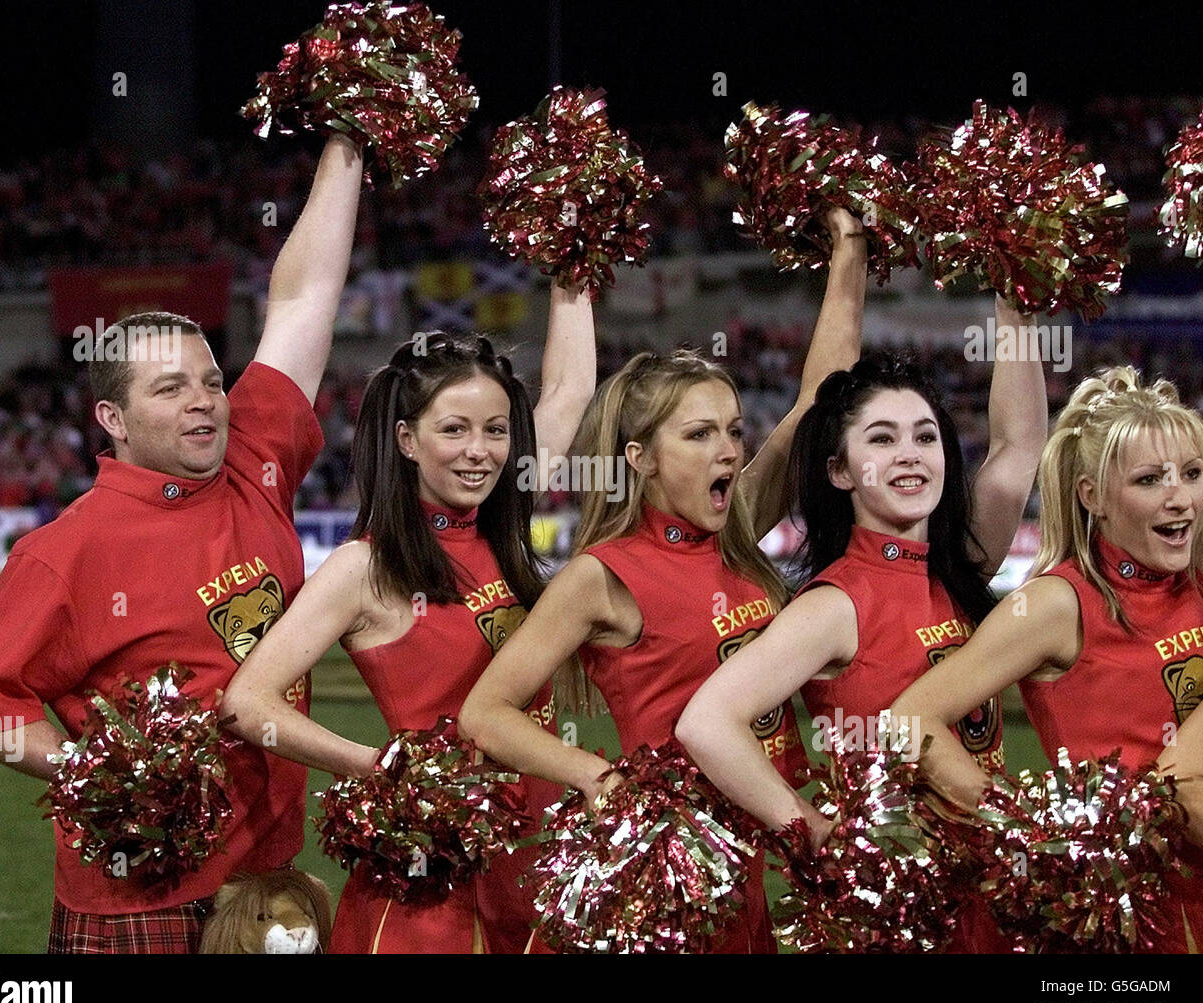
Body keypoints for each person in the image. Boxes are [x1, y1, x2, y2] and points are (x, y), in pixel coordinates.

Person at [0, 135, 365, 953]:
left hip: (270, 878)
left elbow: (306, 296)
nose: (205, 401)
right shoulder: (65, 551)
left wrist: (347, 140)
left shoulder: (255, 459)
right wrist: (95, 778)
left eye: (210, 379)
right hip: (139, 896)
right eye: (170, 389)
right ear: (114, 418)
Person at [457, 208, 868, 952]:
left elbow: (819, 403)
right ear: (641, 457)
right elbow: (486, 713)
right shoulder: (601, 576)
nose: (729, 451)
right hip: (665, 881)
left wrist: (848, 255)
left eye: (735, 430)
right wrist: (595, 776)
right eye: (700, 434)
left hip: (748, 859)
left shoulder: (735, 524)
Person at [219, 285, 597, 953]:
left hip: (536, 862)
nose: (480, 451)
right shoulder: (366, 568)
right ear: (407, 440)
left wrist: (573, 259)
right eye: (453, 430)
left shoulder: (502, 527)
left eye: (497, 429)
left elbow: (568, 391)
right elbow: (247, 704)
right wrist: (381, 767)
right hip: (430, 884)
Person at [675, 302, 1046, 953]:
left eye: (925, 436)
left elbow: (1019, 448)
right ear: (840, 471)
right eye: (882, 439)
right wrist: (812, 829)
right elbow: (705, 723)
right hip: (894, 914)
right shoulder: (833, 604)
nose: (910, 454)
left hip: (987, 894)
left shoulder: (956, 568)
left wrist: (1013, 294)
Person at [894, 366, 1203, 953]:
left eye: (1193, 474)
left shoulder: (1201, 576)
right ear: (1091, 494)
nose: (1180, 496)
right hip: (1129, 916)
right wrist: (1025, 829)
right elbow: (909, 720)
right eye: (1149, 480)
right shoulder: (1057, 603)